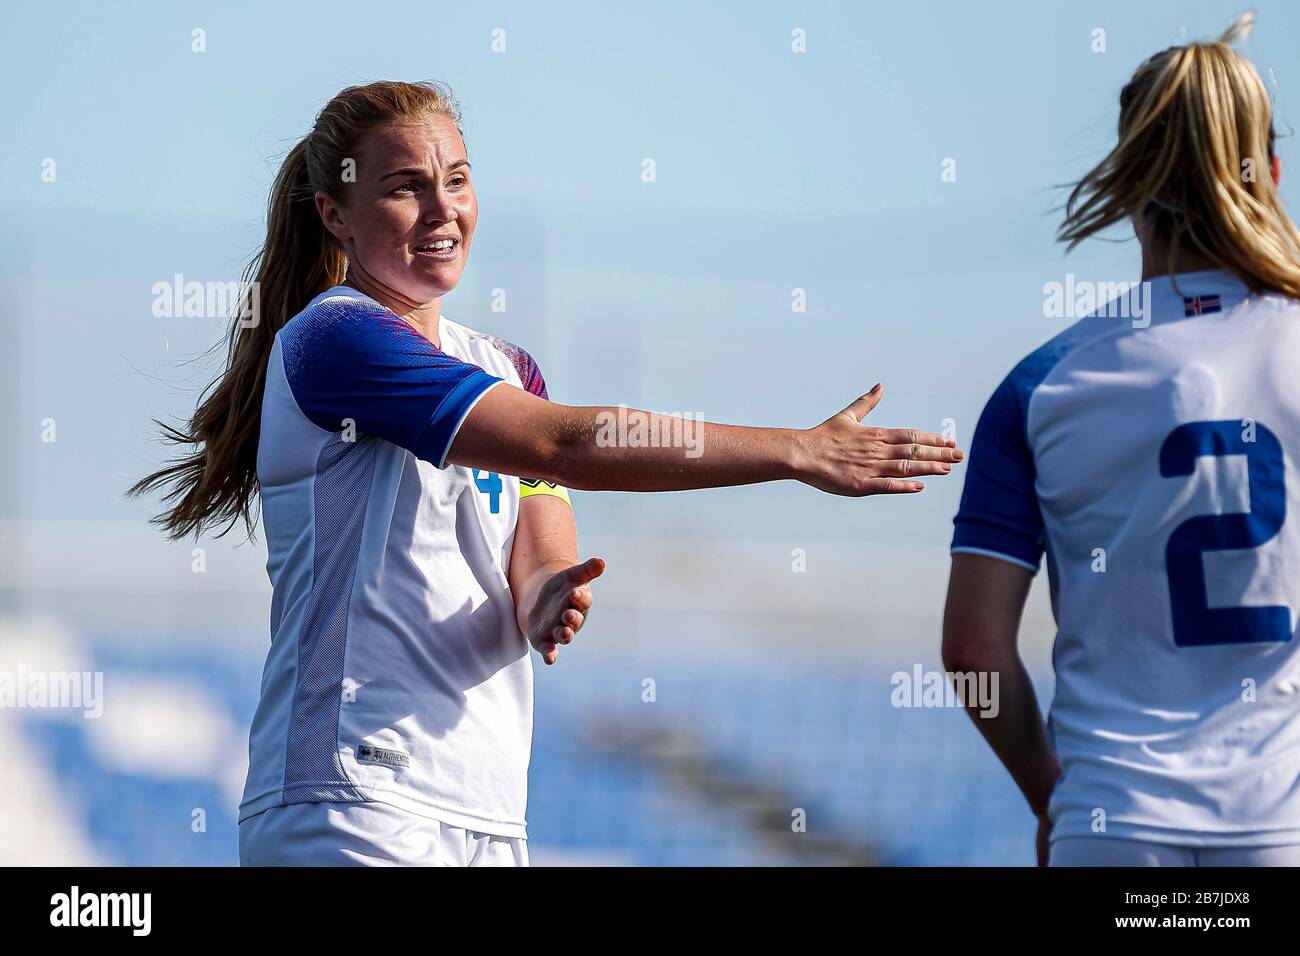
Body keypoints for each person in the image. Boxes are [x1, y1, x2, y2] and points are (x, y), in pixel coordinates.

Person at [131, 80, 962, 866]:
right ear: (334, 216)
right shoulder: (336, 337)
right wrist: (794, 450)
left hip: (486, 805)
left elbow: (537, 552)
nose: (443, 209)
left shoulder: (509, 365)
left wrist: (547, 598)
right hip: (352, 798)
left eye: (457, 179)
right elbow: (563, 446)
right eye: (404, 187)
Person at [943, 12, 1300, 867]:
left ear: (1130, 186)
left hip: (1112, 826)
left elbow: (972, 651)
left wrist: (1053, 797)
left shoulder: (1043, 386)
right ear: (1271, 173)